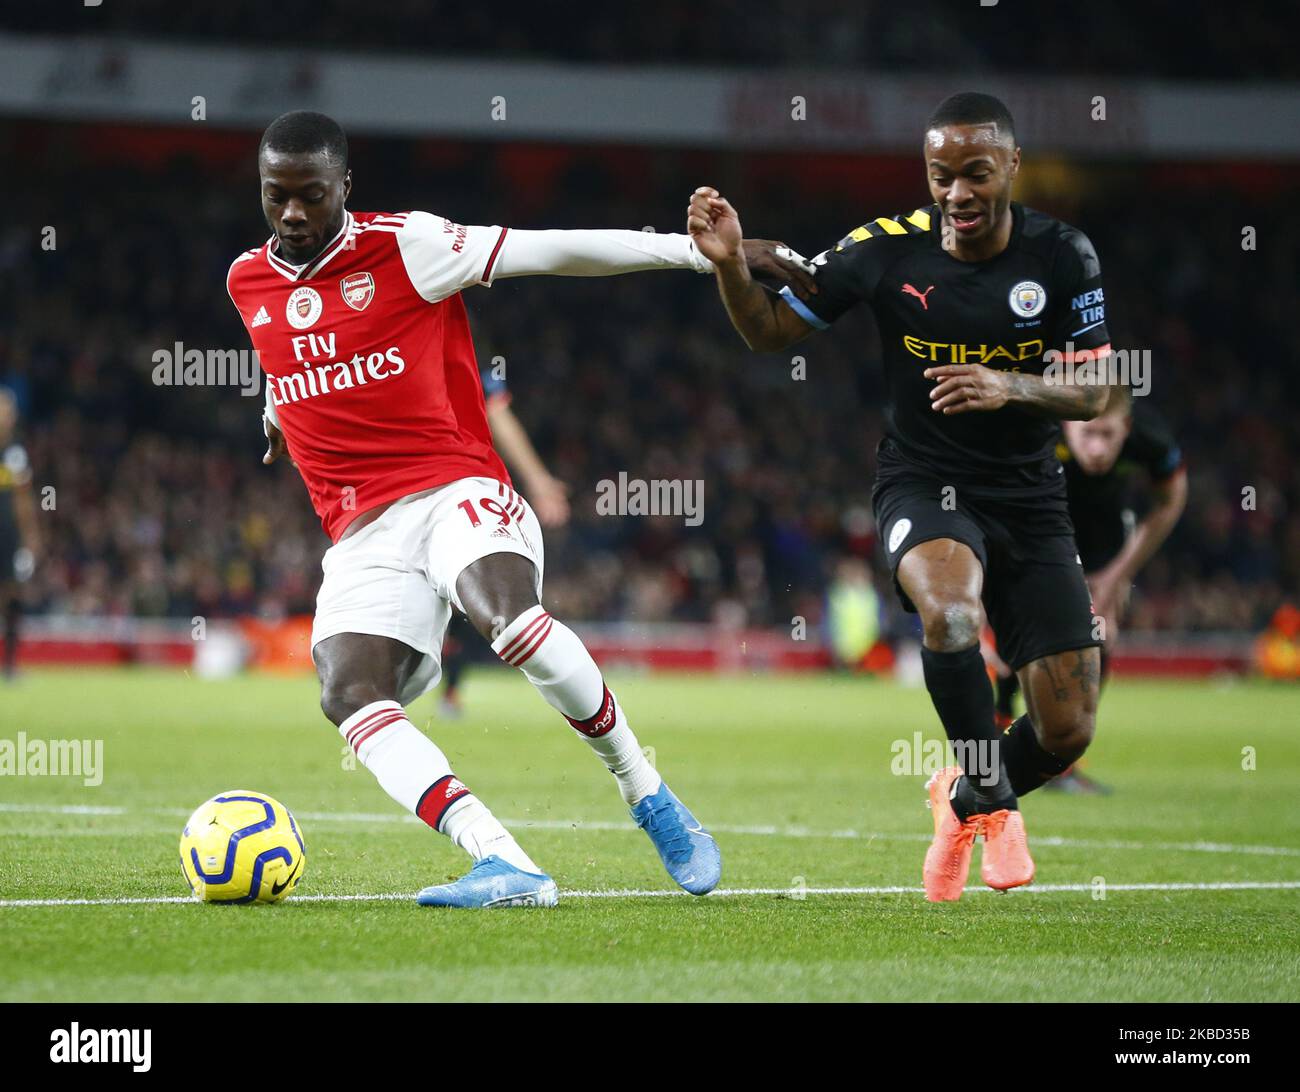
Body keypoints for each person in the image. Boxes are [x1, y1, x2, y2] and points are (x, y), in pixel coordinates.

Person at [229, 111, 808, 908]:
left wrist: (709, 257)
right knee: (348, 694)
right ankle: (504, 863)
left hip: (454, 488)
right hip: (362, 532)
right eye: (276, 196)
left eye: (311, 196)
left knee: (508, 620)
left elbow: (554, 248)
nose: (293, 214)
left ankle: (647, 793)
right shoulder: (246, 281)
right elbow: (287, 351)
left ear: (345, 189)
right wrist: (272, 416)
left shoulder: (407, 245)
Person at [688, 92, 1114, 901]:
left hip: (1031, 498)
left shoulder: (1063, 256)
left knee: (1068, 729)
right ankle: (990, 798)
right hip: (926, 482)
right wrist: (731, 266)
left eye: (976, 174)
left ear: (1012, 167)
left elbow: (1097, 396)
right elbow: (768, 333)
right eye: (941, 176)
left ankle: (957, 795)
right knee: (951, 614)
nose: (956, 193)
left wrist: (1007, 384)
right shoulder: (883, 249)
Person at [994, 385, 1187, 792]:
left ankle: (1060, 759)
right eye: (1088, 434)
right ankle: (1000, 731)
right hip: (1037, 530)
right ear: (1066, 423)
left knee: (1101, 636)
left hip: (1106, 543)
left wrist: (1116, 576)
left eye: (1108, 435)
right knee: (1015, 646)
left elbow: (1170, 501)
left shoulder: (1149, 439)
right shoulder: (1036, 430)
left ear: (1127, 427)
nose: (1098, 448)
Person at [439, 366, 571, 719]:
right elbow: (498, 413)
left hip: (424, 492)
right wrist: (540, 481)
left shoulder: (417, 346)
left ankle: (411, 700)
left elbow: (496, 410)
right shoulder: (456, 351)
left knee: (458, 610)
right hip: (458, 492)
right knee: (468, 607)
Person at [0, 389, 38, 681]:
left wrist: (31, 537)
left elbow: (24, 499)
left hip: (8, 535)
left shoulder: (15, 454)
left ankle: (11, 665)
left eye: (8, 412)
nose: (5, 417)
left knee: (13, 595)